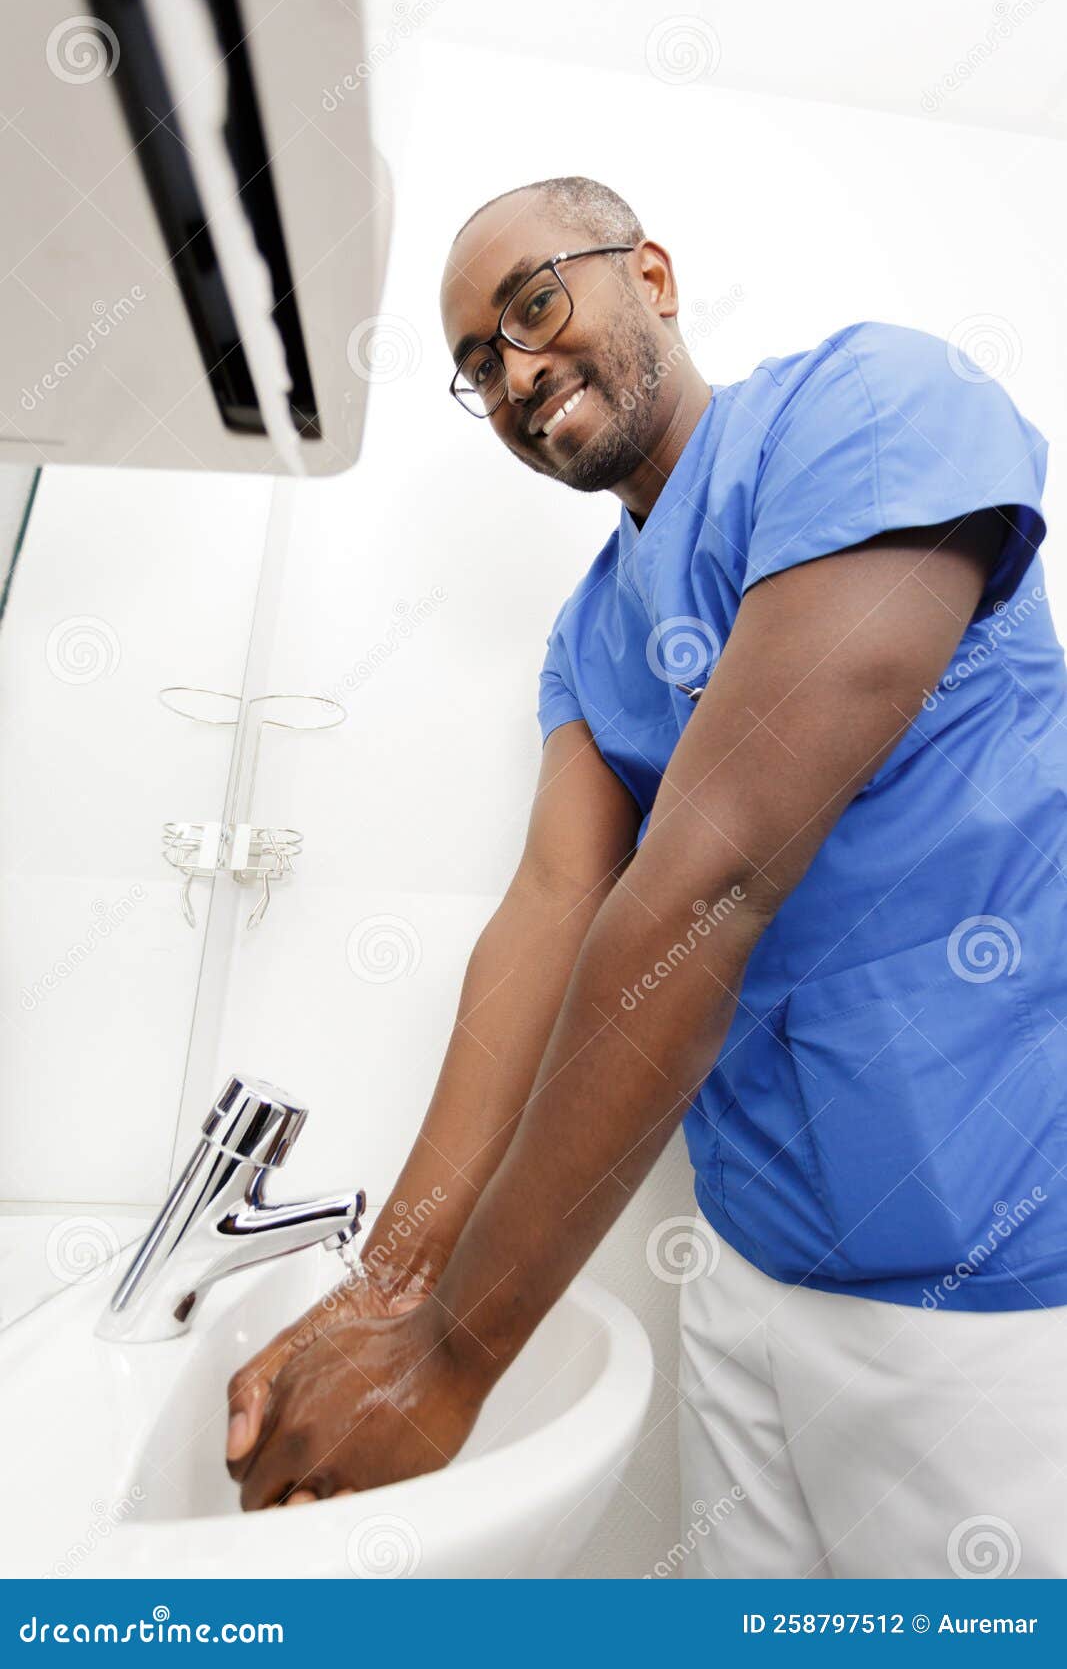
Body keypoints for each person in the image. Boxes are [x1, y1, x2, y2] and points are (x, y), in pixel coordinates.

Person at [225, 177, 1067, 1578]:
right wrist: (387, 1287)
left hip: (988, 1288)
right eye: (477, 366)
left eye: (534, 305)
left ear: (652, 274)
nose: (515, 372)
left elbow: (711, 882)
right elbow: (549, 921)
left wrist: (447, 1360)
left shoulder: (872, 410)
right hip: (748, 1263)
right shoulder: (591, 632)